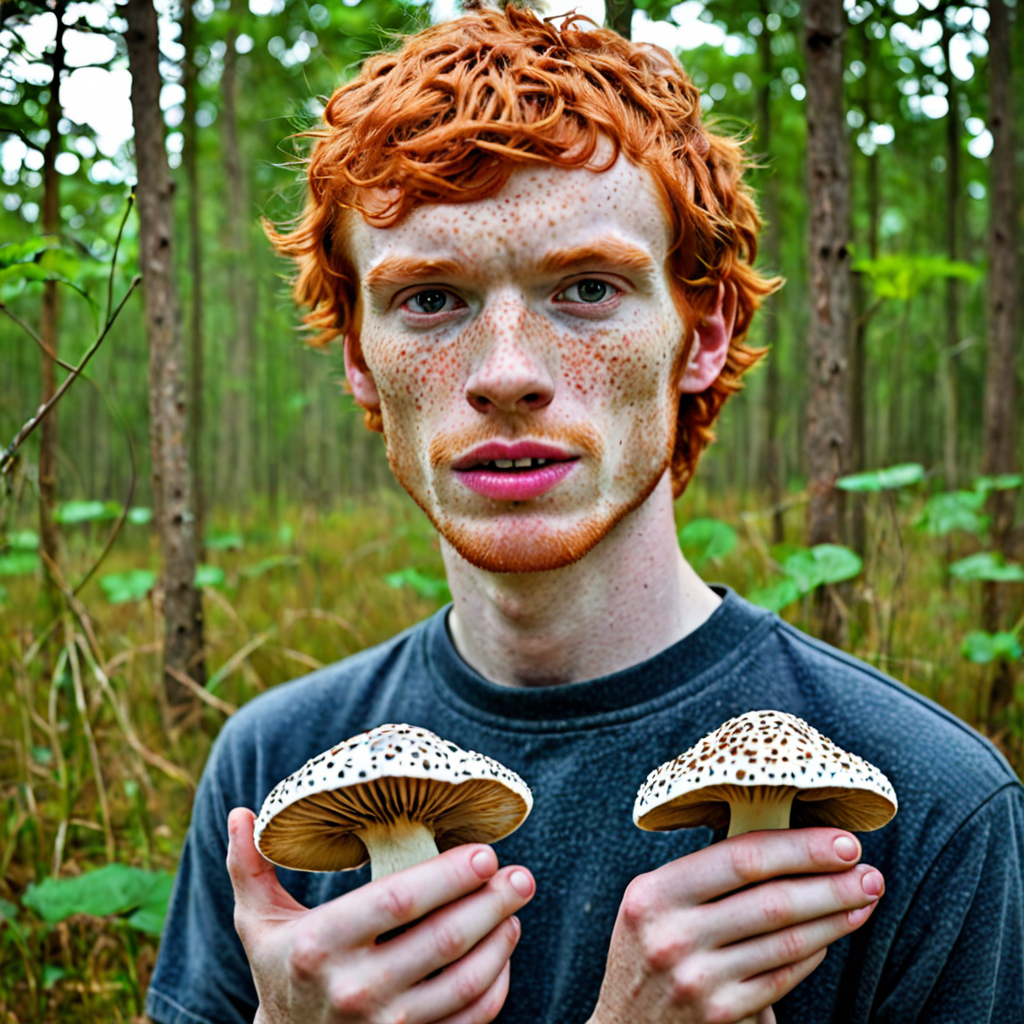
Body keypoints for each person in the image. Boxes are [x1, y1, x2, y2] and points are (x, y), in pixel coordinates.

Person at [145, 8, 1024, 1024]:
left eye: (589, 288)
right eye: (430, 298)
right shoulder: (268, 768)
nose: (507, 374)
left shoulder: (935, 809)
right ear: (359, 361)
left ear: (701, 335)